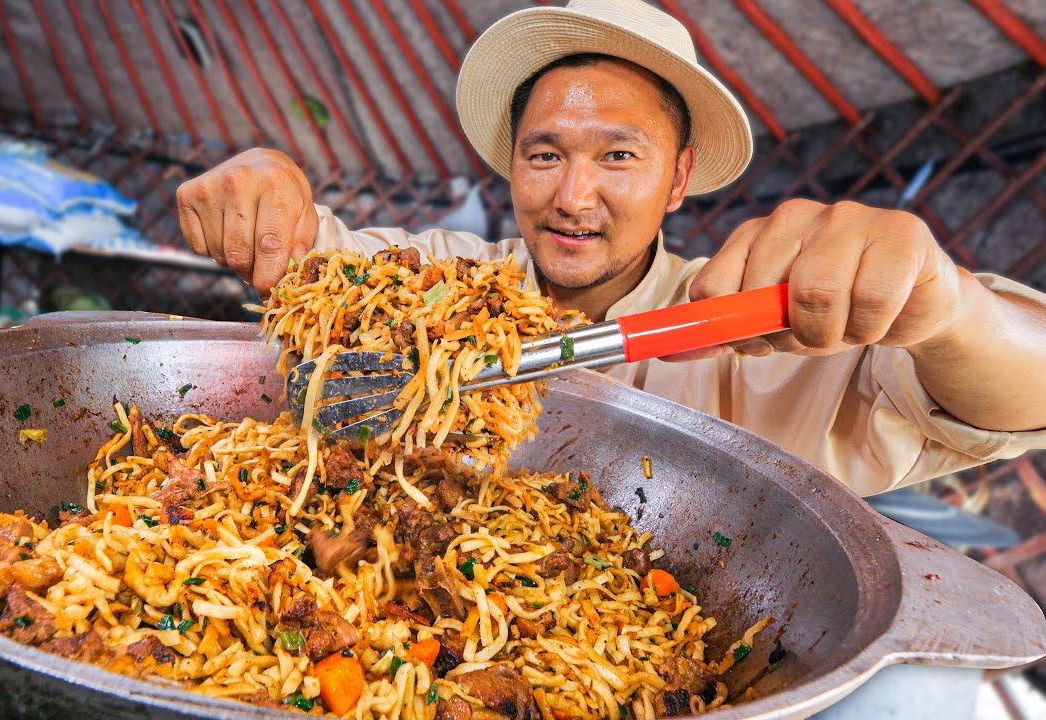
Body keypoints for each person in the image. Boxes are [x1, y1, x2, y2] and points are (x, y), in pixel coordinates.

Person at [175, 0, 1045, 495]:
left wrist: (949, 309)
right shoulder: (429, 283)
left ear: (678, 180)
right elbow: (306, 255)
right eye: (545, 154)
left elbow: (1013, 394)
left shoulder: (754, 331)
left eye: (618, 157)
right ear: (513, 166)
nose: (572, 197)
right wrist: (262, 180)